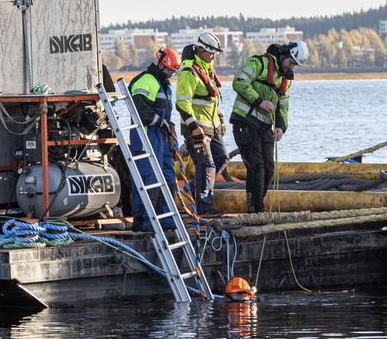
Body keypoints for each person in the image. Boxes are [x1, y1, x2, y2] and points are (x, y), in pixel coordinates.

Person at [230, 40, 307, 213]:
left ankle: (257, 207)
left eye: (295, 65)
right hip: (246, 122)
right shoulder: (258, 63)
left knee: (269, 170)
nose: (291, 67)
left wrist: (281, 126)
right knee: (256, 167)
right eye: (291, 63)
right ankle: (256, 211)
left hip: (265, 127)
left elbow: (283, 104)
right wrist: (259, 101)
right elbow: (239, 81)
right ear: (283, 55)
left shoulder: (285, 79)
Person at [175, 31, 229, 218]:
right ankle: (205, 209)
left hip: (212, 128)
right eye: (210, 53)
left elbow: (211, 100)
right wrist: (194, 127)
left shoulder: (207, 69)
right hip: (197, 129)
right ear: (200, 50)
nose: (213, 57)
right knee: (206, 166)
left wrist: (220, 120)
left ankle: (191, 190)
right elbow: (182, 102)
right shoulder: (189, 71)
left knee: (222, 159)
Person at [128, 47, 180, 232]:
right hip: (146, 137)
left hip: (161, 139)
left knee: (168, 178)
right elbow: (140, 109)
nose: (171, 74)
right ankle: (143, 222)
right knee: (147, 179)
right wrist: (161, 123)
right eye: (169, 70)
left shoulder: (164, 84)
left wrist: (169, 126)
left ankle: (167, 220)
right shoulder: (147, 81)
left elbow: (163, 113)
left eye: (173, 72)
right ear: (160, 64)